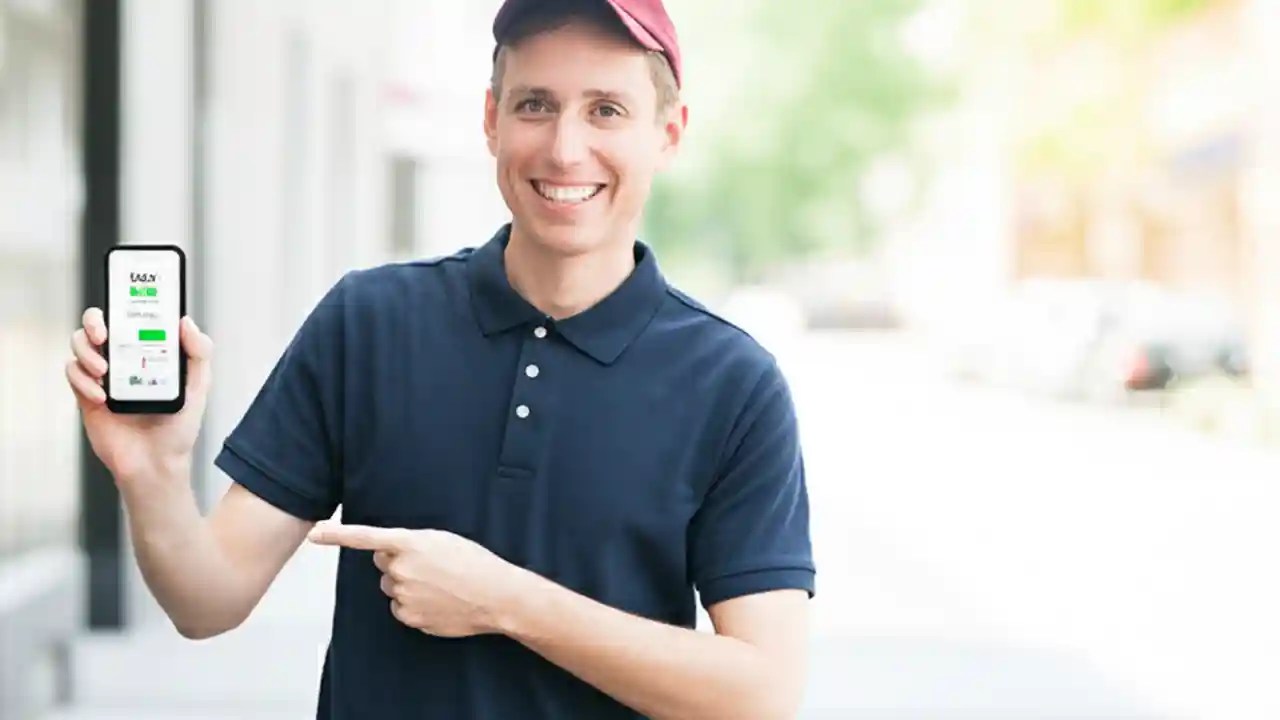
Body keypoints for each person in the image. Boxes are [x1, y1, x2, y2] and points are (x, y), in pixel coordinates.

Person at [64, 0, 815, 717]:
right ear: (491, 120)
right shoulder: (368, 324)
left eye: (606, 110)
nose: (564, 147)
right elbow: (207, 601)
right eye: (535, 104)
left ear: (669, 133)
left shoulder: (731, 383)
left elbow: (762, 693)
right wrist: (154, 477)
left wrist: (506, 602)